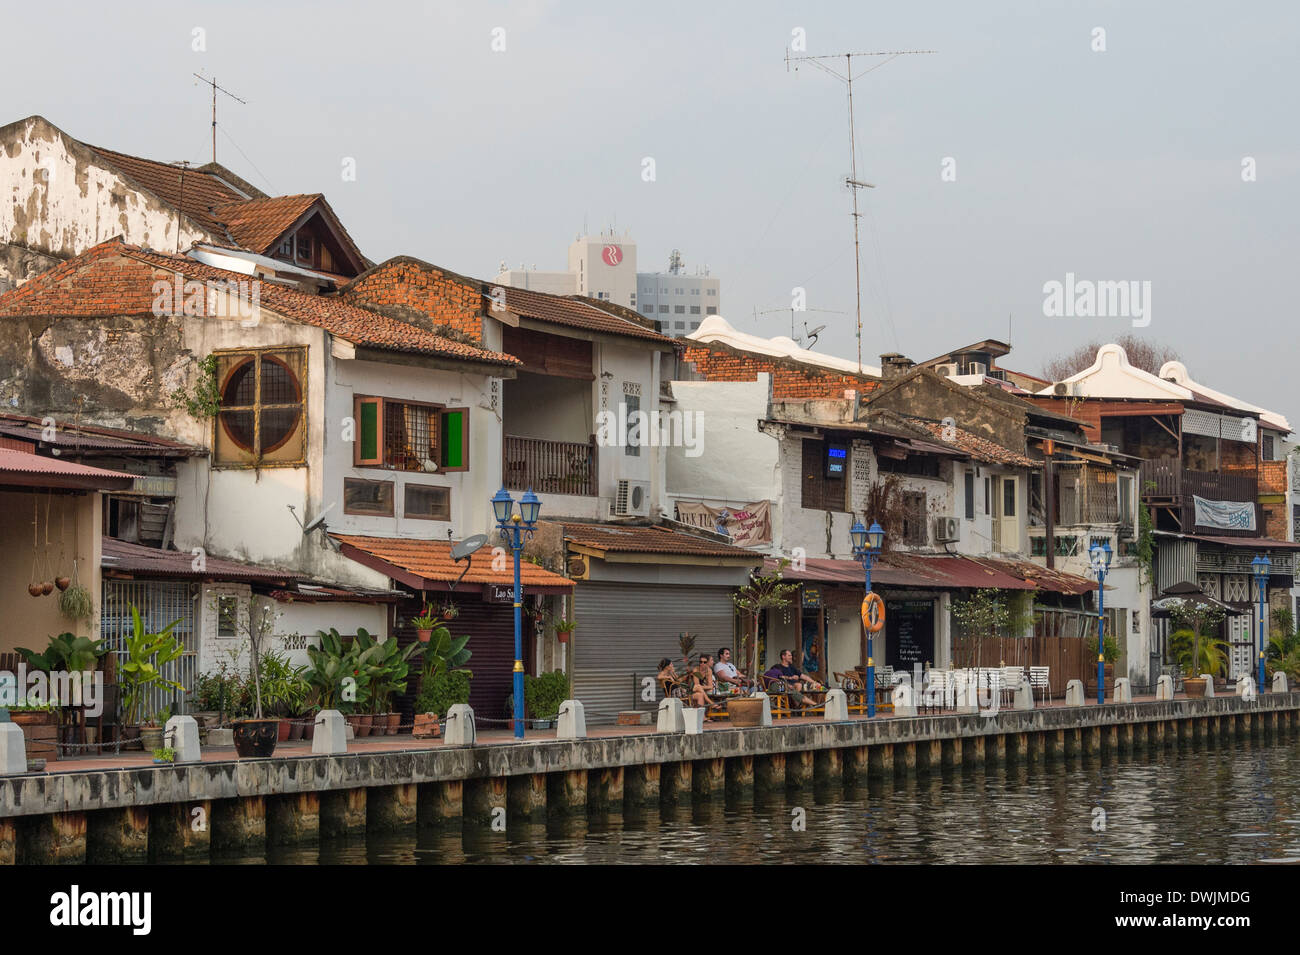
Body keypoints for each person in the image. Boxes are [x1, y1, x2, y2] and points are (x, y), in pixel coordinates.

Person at [691, 654, 720, 718]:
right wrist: (705, 687)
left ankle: (703, 717)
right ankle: (711, 703)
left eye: (704, 662)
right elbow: (696, 685)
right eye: (700, 662)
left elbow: (710, 686)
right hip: (691, 691)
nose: (702, 664)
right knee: (698, 687)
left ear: (707, 663)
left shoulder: (709, 670)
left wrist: (702, 687)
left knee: (700, 695)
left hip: (700, 691)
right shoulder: (696, 670)